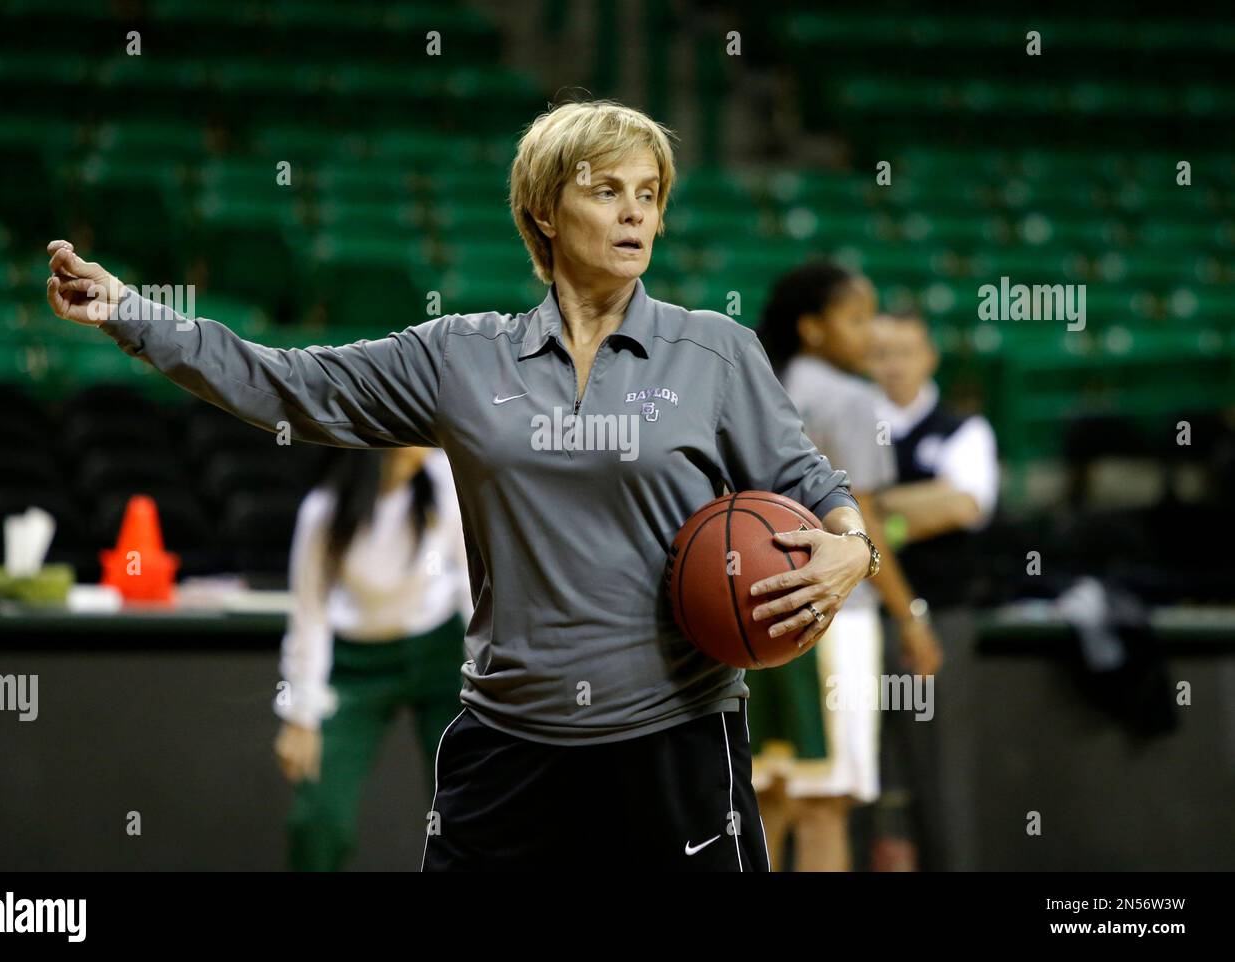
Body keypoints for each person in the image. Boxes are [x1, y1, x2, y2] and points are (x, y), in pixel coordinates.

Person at [45, 99, 880, 872]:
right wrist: (129, 311)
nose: (636, 212)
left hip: (677, 739)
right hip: (510, 746)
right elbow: (282, 383)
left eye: (650, 193)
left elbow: (807, 479)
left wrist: (852, 549)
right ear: (545, 212)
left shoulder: (716, 351)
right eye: (607, 190)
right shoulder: (461, 358)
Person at [752, 261, 943, 872]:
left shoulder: (760, 386)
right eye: (856, 318)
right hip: (834, 613)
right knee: (825, 803)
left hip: (757, 610)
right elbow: (865, 520)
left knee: (767, 798)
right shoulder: (853, 400)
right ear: (812, 328)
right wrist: (910, 613)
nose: (871, 334)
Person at [274, 446, 471, 871]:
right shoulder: (324, 509)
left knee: (473, 808)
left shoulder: (447, 482)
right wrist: (299, 716)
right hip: (354, 666)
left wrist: (495, 674)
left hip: (441, 654)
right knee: (319, 819)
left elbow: (476, 585)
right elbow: (309, 613)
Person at [869, 310, 1000, 608]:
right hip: (871, 603)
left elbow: (964, 507)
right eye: (882, 354)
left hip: (949, 600)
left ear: (929, 357)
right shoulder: (852, 425)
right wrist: (933, 496)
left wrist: (879, 510)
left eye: (906, 353)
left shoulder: (967, 429)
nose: (894, 366)